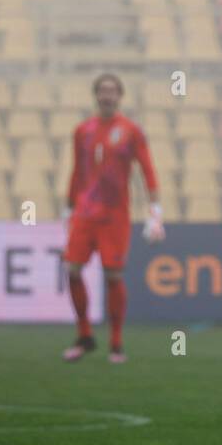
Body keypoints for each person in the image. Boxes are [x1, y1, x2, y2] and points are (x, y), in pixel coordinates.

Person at [61, 74, 164, 364]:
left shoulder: (131, 131)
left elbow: (147, 171)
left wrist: (155, 214)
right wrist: (69, 209)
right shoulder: (83, 130)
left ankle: (116, 343)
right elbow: (77, 171)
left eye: (112, 91)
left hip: (115, 216)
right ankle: (84, 335)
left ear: (120, 96)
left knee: (112, 275)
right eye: (102, 91)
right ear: (96, 95)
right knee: (72, 268)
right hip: (84, 213)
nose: (107, 96)